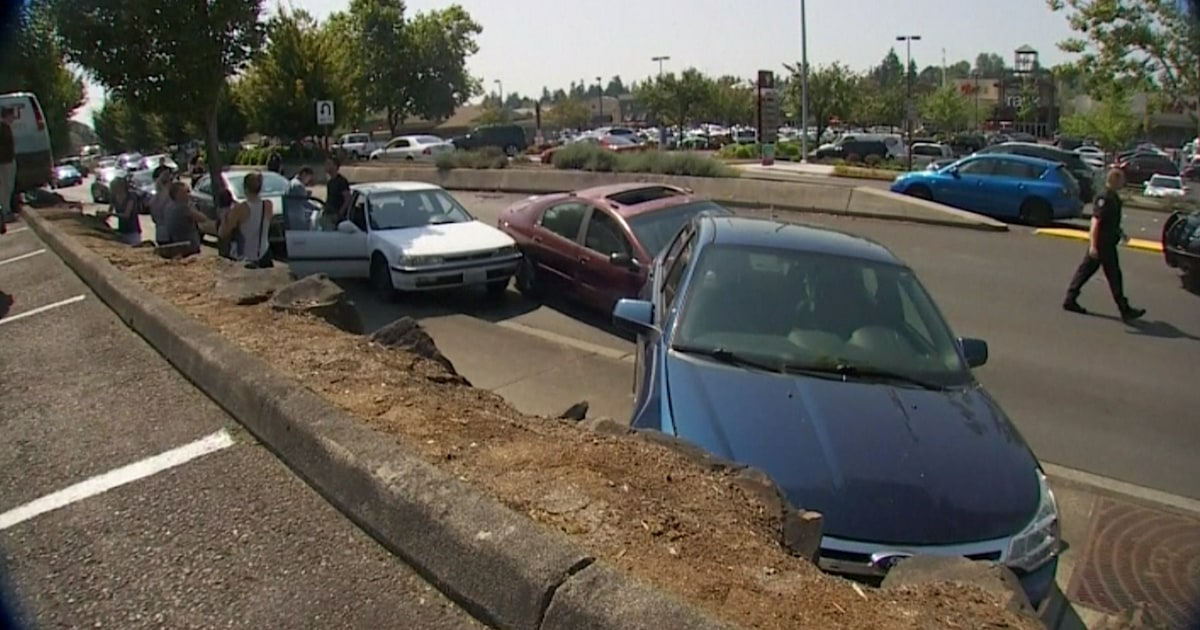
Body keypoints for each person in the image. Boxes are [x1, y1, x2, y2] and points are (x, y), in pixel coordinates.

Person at [1062, 167, 1146, 321]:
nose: (1124, 182)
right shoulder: (1105, 198)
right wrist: (1093, 246)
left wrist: (1120, 233)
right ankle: (1124, 309)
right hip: (1102, 245)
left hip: (1107, 243)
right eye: (1121, 179)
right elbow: (1096, 222)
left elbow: (1110, 222)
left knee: (1086, 272)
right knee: (1113, 276)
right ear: (1115, 180)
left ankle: (1070, 298)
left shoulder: (1113, 197)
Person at [218, 172, 274, 267]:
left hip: (245, 257)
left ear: (245, 188)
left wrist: (223, 216)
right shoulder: (268, 205)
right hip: (264, 254)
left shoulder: (240, 208)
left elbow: (223, 233)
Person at [159, 181, 208, 258]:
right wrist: (192, 206)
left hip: (176, 245)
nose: (188, 195)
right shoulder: (183, 208)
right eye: (186, 192)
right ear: (177, 195)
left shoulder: (168, 207)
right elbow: (203, 218)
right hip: (189, 246)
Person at [109, 177, 143, 245]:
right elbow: (110, 210)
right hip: (121, 230)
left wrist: (111, 214)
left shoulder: (131, 197)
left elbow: (127, 215)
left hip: (133, 231)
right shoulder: (114, 197)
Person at [321, 156, 351, 230]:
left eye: (328, 164)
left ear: (335, 166)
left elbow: (347, 199)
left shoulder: (341, 181)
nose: (326, 166)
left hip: (335, 217)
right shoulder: (330, 182)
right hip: (328, 214)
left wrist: (339, 214)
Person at [147, 165, 174, 244]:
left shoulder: (153, 200)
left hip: (161, 234)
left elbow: (154, 219)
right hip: (170, 236)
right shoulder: (168, 197)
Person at [0, 107, 16, 221]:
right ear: (7, 116)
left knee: (5, 186)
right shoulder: (3, 128)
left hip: (6, 160)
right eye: (12, 116)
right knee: (7, 186)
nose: (13, 118)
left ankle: (5, 209)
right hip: (6, 160)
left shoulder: (5, 127)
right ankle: (5, 211)